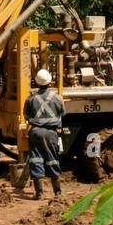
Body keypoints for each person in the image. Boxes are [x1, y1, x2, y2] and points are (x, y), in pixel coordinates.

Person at [22, 67, 65, 200]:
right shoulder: (57, 98)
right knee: (53, 160)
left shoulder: (30, 99)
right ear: (50, 82)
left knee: (36, 160)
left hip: (35, 132)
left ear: (37, 82)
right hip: (51, 133)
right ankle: (57, 192)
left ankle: (39, 193)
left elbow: (26, 115)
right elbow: (63, 113)